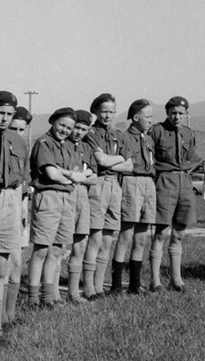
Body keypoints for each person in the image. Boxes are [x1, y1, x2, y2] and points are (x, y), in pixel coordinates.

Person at [27, 108, 92, 307]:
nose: (64, 130)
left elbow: (83, 172)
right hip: (48, 196)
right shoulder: (44, 143)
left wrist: (66, 174)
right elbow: (52, 174)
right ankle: (33, 298)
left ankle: (48, 297)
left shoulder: (69, 147)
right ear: (52, 121)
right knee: (41, 250)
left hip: (67, 198)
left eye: (69, 127)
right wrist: (72, 176)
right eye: (62, 125)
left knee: (56, 250)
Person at [81, 94, 130, 300]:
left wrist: (115, 160)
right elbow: (99, 161)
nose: (108, 115)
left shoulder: (119, 134)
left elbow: (130, 165)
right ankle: (89, 287)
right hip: (98, 185)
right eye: (104, 111)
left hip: (115, 186)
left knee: (108, 239)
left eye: (112, 111)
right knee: (95, 237)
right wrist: (119, 159)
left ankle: (100, 286)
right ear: (96, 111)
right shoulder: (91, 133)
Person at [0, 91, 30, 329]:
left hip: (13, 198)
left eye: (9, 114)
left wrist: (21, 207)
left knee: (9, 259)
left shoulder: (17, 139)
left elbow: (24, 176)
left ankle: (8, 315)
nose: (4, 118)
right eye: (0, 113)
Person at [149, 96, 198, 292]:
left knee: (179, 233)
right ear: (167, 113)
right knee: (161, 233)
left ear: (186, 114)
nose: (177, 117)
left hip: (184, 182)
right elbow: (150, 160)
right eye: (173, 113)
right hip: (164, 181)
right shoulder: (157, 131)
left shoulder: (189, 133)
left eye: (181, 113)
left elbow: (191, 157)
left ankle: (176, 280)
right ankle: (155, 281)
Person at [111, 99, 154, 296]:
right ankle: (117, 285)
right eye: (148, 117)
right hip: (131, 182)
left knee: (141, 238)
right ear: (136, 118)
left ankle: (135, 285)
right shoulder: (124, 137)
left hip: (148, 184)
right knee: (125, 235)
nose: (151, 121)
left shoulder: (148, 138)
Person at [1, 105, 33, 323]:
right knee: (2, 260)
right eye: (14, 128)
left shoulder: (22, 146)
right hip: (3, 201)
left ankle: (10, 313)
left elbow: (26, 176)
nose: (17, 133)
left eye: (22, 129)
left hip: (19, 202)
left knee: (17, 258)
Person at [66, 109, 98, 304]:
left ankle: (74, 292)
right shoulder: (62, 145)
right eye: (77, 128)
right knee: (60, 246)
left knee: (80, 245)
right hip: (65, 196)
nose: (78, 132)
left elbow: (94, 177)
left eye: (84, 129)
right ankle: (51, 293)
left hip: (82, 197)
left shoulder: (85, 148)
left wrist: (80, 176)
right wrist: (76, 176)